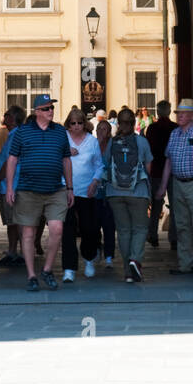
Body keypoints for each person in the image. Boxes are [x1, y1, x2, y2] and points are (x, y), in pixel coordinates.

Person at [6, 94, 73, 292]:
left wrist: (70, 187)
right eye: (46, 109)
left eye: (51, 108)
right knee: (28, 232)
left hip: (55, 189)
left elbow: (66, 160)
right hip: (28, 190)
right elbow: (12, 159)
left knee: (57, 229)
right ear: (36, 112)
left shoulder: (60, 132)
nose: (50, 111)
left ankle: (47, 269)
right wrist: (10, 187)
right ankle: (31, 275)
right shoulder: (23, 132)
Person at [157, 98, 193, 277]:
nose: (179, 116)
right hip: (178, 183)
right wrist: (162, 186)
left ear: (192, 116)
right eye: (178, 113)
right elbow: (168, 161)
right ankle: (185, 264)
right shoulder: (174, 134)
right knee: (182, 225)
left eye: (183, 113)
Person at [103, 106, 153, 282]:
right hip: (137, 191)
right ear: (134, 123)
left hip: (115, 192)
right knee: (139, 228)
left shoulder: (112, 142)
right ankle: (135, 260)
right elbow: (148, 168)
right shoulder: (142, 142)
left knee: (123, 231)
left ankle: (127, 272)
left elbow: (106, 163)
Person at [61, 107, 105, 282]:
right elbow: (55, 161)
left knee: (90, 228)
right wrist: (64, 153)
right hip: (66, 190)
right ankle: (69, 268)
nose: (77, 126)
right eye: (73, 123)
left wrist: (95, 182)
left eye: (80, 122)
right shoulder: (63, 139)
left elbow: (99, 165)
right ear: (68, 124)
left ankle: (88, 259)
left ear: (85, 124)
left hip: (87, 191)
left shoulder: (91, 142)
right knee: (67, 230)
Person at [0, 105, 26, 267]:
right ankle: (13, 251)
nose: (4, 116)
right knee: (12, 222)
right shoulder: (12, 135)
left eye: (6, 114)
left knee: (15, 222)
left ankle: (18, 252)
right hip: (8, 185)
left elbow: (10, 159)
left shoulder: (15, 136)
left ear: (12, 119)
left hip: (10, 186)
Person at [146, 100, 177, 250]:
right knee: (175, 206)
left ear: (157, 112)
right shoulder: (175, 128)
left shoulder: (152, 129)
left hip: (157, 170)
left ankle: (153, 235)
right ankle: (174, 238)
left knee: (156, 204)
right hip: (174, 171)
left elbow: (149, 151)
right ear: (170, 111)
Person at [93, 117, 116, 268]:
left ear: (109, 132)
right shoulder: (92, 145)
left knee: (109, 225)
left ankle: (109, 255)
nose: (101, 131)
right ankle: (96, 250)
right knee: (94, 224)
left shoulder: (113, 147)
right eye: (99, 129)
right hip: (94, 191)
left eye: (104, 129)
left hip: (109, 190)